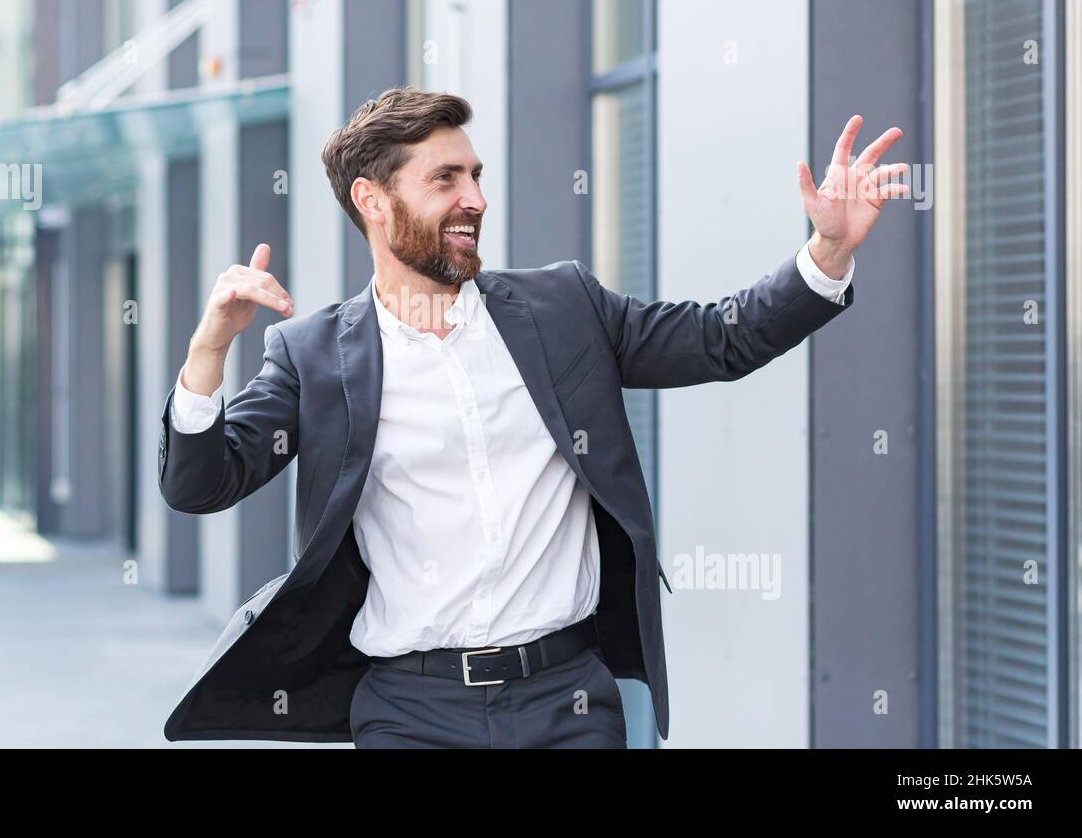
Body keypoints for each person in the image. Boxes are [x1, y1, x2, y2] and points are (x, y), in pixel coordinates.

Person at [158, 86, 907, 748]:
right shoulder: (314, 355)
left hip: (567, 701)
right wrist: (208, 352)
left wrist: (827, 250)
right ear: (372, 201)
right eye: (444, 179)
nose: (475, 198)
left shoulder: (562, 310)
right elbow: (202, 484)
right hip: (408, 709)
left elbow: (721, 339)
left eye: (476, 175)